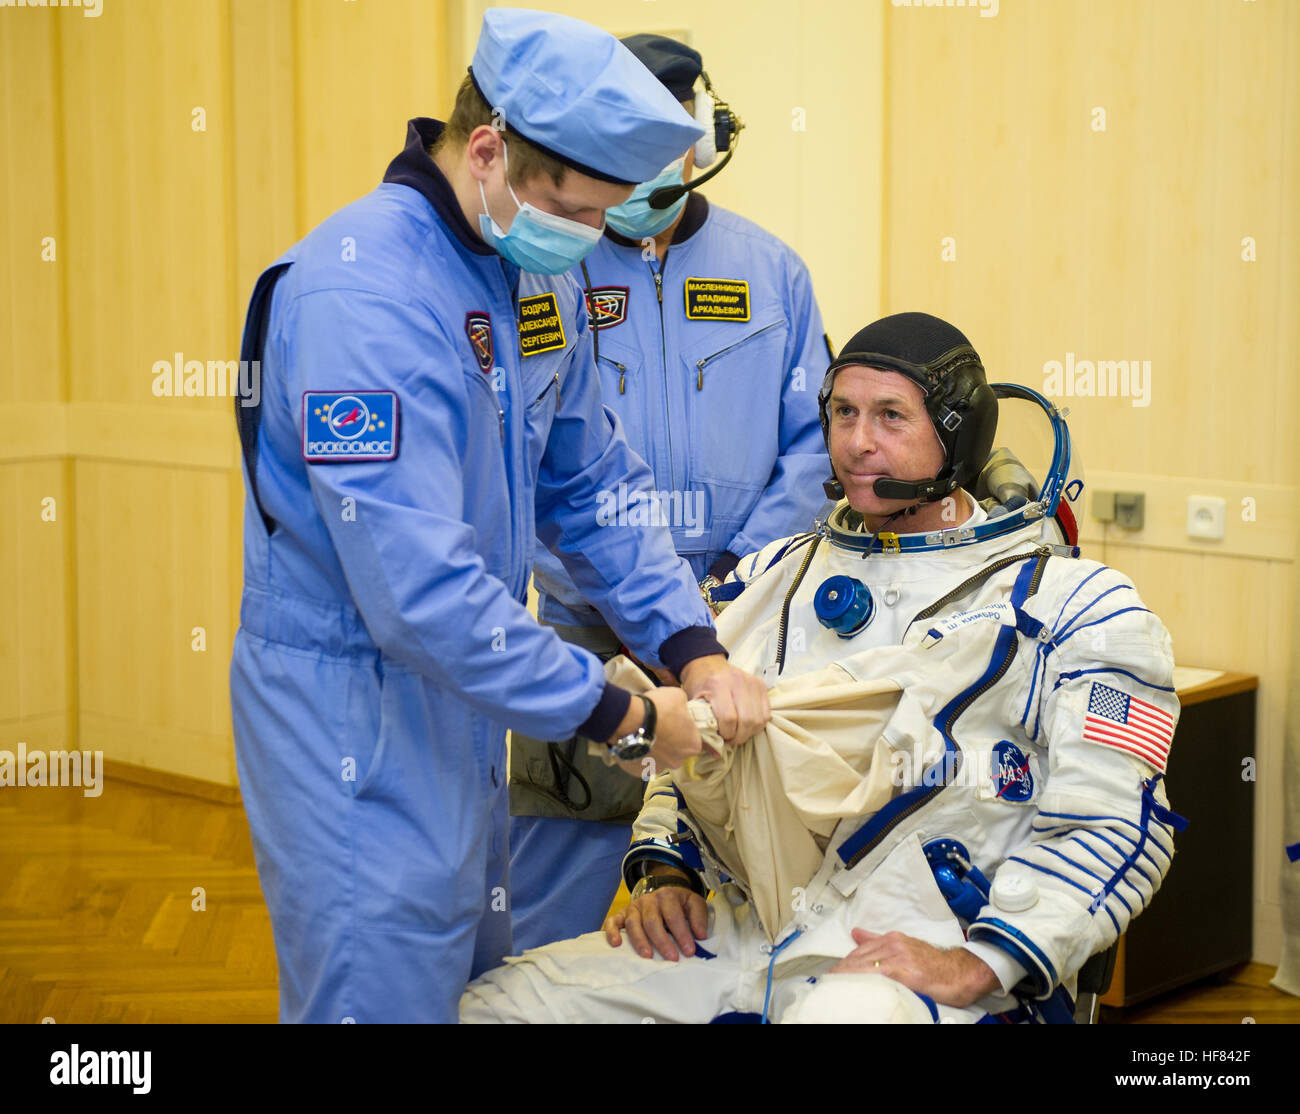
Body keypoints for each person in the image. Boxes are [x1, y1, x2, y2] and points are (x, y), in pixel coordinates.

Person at [229, 7, 769, 1024]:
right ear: (487, 150)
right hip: (356, 711)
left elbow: (591, 482)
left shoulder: (527, 270)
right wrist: (623, 714)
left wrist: (688, 644)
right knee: (376, 985)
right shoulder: (362, 299)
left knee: (472, 987)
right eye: (576, 210)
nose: (589, 239)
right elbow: (416, 594)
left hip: (468, 706)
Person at [461, 311, 1185, 1024]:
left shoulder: (1074, 607)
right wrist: (665, 871)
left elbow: (1117, 824)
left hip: (914, 948)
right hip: (744, 935)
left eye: (891, 417)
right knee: (498, 1006)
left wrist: (986, 962)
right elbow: (697, 755)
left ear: (959, 433)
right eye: (843, 412)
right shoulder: (764, 581)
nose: (858, 442)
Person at [509, 34, 832, 951]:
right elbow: (528, 464)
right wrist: (627, 604)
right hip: (585, 639)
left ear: (703, 142)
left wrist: (727, 589)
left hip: (739, 639)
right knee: (547, 900)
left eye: (668, 151)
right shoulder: (547, 267)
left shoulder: (772, 273)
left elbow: (814, 449)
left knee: (723, 893)